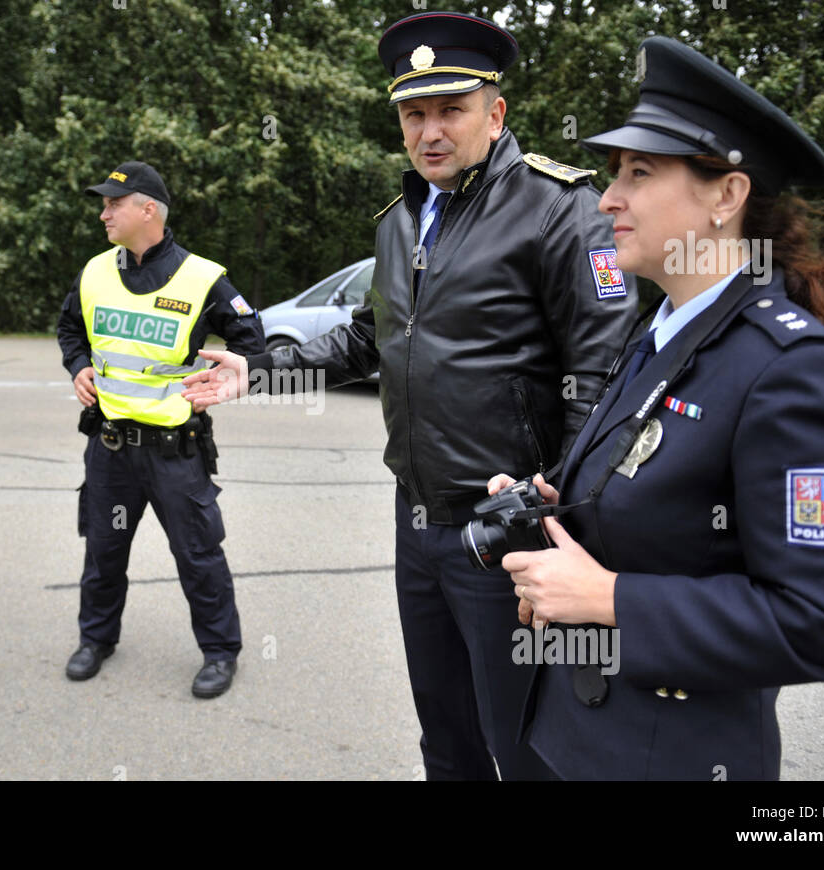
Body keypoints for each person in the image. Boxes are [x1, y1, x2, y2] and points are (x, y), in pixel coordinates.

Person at [182, 12, 637, 778]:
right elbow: (368, 340)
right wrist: (262, 370)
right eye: (413, 113)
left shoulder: (562, 209)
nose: (430, 131)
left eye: (450, 110)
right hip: (419, 523)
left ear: (494, 113)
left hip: (512, 528)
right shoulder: (400, 222)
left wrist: (563, 516)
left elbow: (603, 377)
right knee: (445, 736)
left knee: (527, 741)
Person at [486, 36, 824, 779]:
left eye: (639, 173)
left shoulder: (791, 374)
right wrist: (555, 508)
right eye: (614, 173)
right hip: (571, 738)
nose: (609, 198)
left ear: (726, 196)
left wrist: (612, 599)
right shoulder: (662, 331)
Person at [56, 161, 265, 698]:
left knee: (198, 556)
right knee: (103, 552)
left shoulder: (203, 278)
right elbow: (69, 329)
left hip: (176, 452)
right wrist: (77, 364)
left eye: (112, 205)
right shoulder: (95, 271)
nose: (103, 213)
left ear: (147, 210)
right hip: (109, 447)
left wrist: (223, 376)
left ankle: (220, 653)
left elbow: (252, 344)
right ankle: (95, 639)